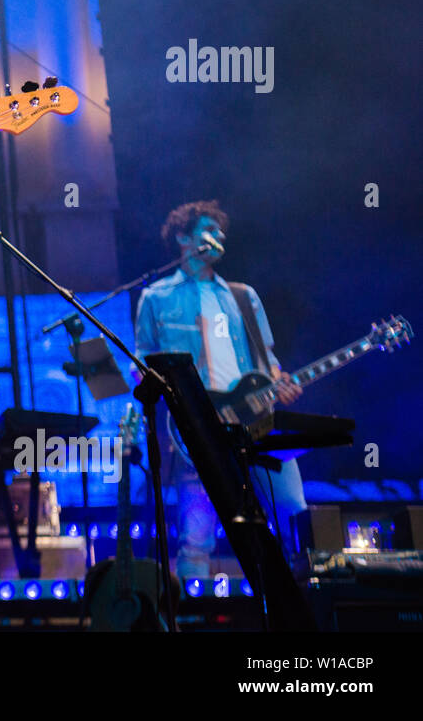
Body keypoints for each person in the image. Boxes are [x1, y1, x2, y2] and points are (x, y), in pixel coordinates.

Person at [133, 200, 306, 580]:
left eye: (220, 232)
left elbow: (268, 359)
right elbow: (142, 362)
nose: (218, 237)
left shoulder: (243, 295)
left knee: (293, 514)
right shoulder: (156, 298)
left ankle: (297, 608)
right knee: (197, 538)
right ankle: (194, 617)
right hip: (201, 426)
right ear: (183, 237)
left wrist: (280, 380)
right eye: (208, 230)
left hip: (258, 420)